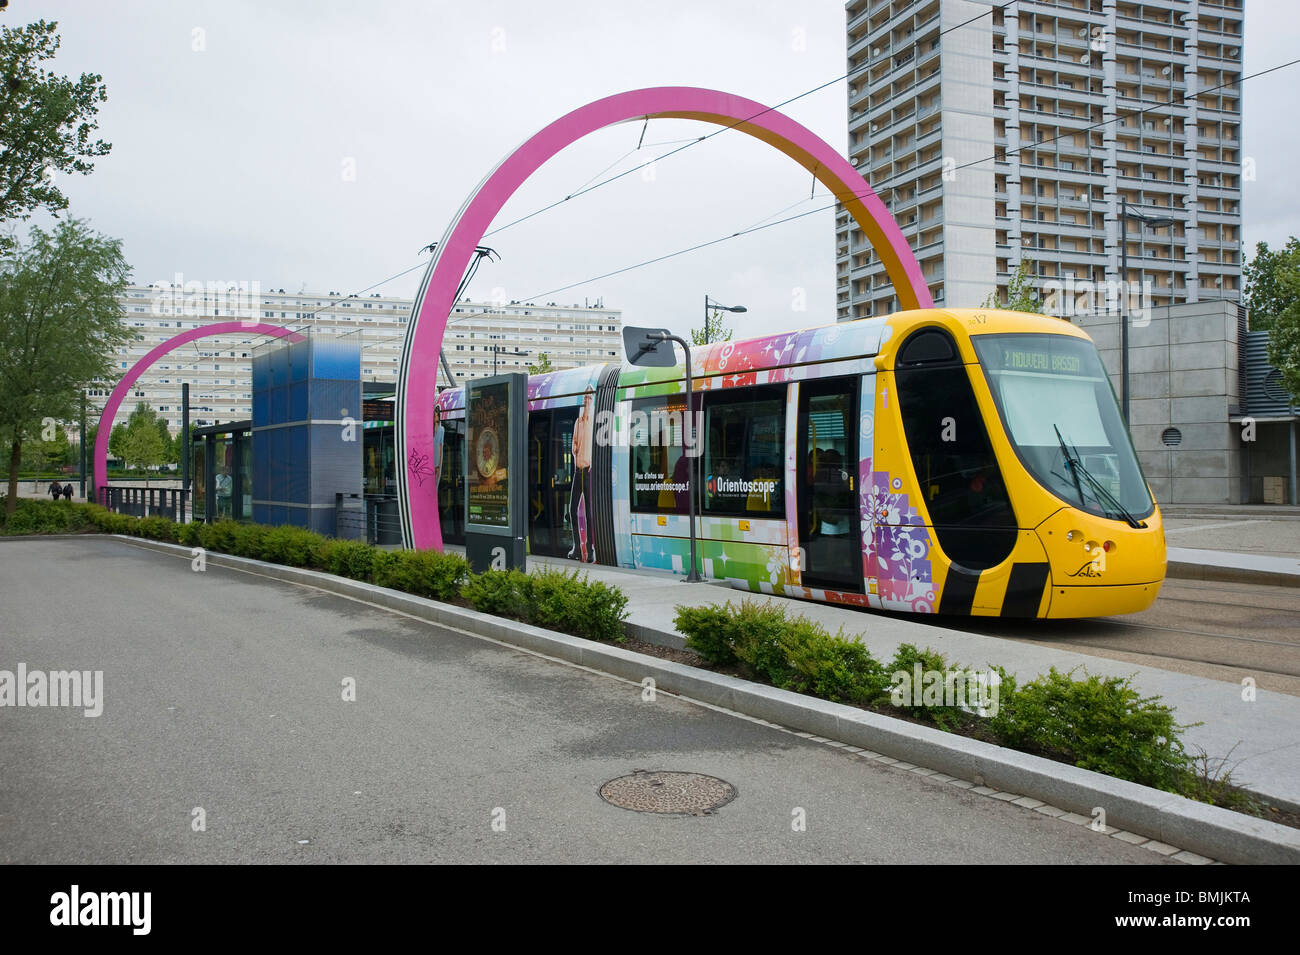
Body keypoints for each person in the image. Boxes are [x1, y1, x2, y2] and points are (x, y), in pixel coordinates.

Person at [568, 387, 595, 562]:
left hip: (588, 471)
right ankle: (578, 547)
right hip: (578, 472)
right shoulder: (579, 422)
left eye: (589, 397)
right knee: (572, 510)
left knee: (589, 512)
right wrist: (575, 449)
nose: (586, 400)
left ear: (592, 401)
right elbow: (574, 445)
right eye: (585, 397)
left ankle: (590, 549)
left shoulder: (592, 422)